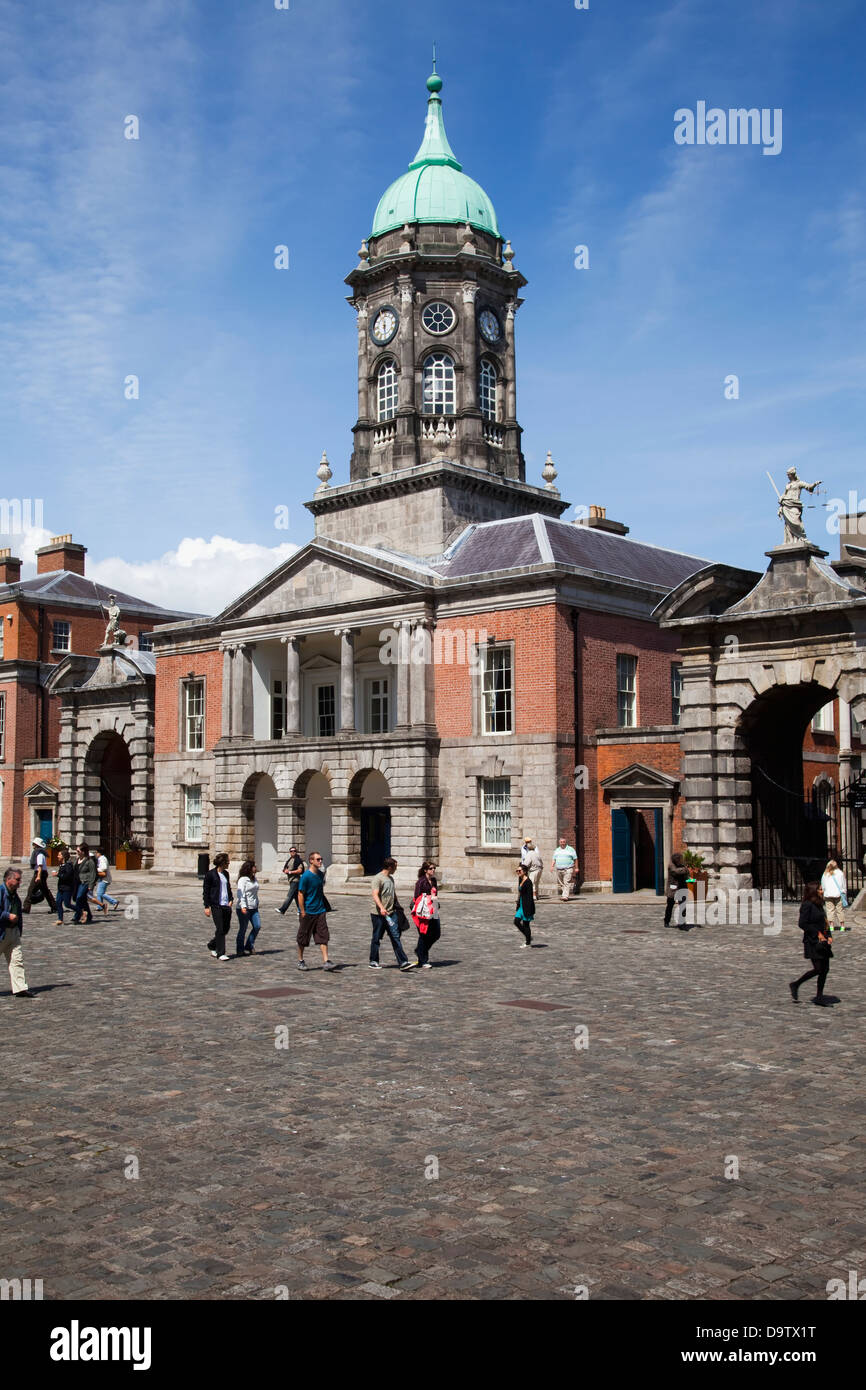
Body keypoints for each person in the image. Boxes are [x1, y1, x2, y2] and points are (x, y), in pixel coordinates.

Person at [790, 882, 833, 1006]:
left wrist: (829, 936)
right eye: (820, 889)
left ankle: (819, 996)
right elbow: (802, 923)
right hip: (812, 941)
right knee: (818, 969)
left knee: (825, 970)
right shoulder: (807, 905)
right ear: (814, 891)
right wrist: (817, 933)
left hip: (823, 941)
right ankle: (796, 984)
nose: (822, 891)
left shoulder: (819, 904)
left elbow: (824, 922)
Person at [369, 857, 415, 971]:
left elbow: (393, 894)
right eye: (395, 866)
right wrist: (381, 908)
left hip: (391, 913)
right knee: (376, 937)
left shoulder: (391, 879)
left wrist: (397, 906)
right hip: (378, 914)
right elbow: (375, 895)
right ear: (390, 867)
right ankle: (373, 961)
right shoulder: (378, 878)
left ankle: (403, 962)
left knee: (395, 937)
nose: (396, 869)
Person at [297, 851, 336, 971]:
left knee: (323, 936)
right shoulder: (306, 876)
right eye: (318, 859)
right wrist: (302, 911)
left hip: (320, 911)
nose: (320, 861)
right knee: (303, 938)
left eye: (321, 859)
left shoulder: (320, 874)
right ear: (311, 861)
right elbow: (300, 894)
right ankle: (300, 960)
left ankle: (326, 961)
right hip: (308, 911)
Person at [1, 867, 35, 998]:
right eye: (18, 880)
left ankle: (20, 988)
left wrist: (18, 929)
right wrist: (7, 916)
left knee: (17, 960)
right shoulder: (1, 892)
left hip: (13, 933)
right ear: (9, 879)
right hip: (1, 933)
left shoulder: (14, 894)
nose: (20, 883)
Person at [203, 852, 233, 961]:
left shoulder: (226, 874)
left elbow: (228, 888)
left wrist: (231, 899)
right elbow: (206, 891)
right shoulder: (210, 874)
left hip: (226, 905)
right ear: (222, 863)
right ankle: (221, 953)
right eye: (227, 862)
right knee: (220, 929)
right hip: (216, 905)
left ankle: (212, 945)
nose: (229, 863)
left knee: (226, 929)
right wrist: (207, 906)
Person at [411, 859, 440, 969]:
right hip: (424, 911)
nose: (433, 870)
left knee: (436, 934)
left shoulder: (433, 881)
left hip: (434, 909)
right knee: (424, 934)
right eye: (431, 868)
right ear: (425, 870)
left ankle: (420, 951)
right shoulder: (420, 882)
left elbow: (435, 893)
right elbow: (417, 897)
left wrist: (435, 901)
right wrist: (429, 898)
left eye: (434, 868)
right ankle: (423, 960)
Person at [22, 837, 56, 915]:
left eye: (33, 844)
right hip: (42, 873)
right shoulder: (40, 852)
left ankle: (26, 908)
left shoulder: (39, 854)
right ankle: (54, 906)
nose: (32, 845)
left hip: (39, 873)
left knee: (31, 890)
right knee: (45, 891)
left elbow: (40, 866)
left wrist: (38, 876)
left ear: (36, 845)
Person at [235, 860, 262, 956]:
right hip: (244, 908)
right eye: (254, 866)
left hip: (254, 907)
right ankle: (240, 949)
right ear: (250, 868)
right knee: (243, 928)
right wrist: (243, 906)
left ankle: (249, 945)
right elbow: (240, 893)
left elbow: (254, 893)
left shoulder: (254, 879)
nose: (256, 867)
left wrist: (257, 902)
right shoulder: (243, 880)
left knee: (257, 926)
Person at [276, 846, 305, 916]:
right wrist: (285, 870)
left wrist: (290, 872)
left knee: (289, 896)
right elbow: (286, 868)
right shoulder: (289, 860)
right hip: (291, 880)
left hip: (296, 880)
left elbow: (300, 870)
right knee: (296, 896)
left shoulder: (298, 860)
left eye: (294, 851)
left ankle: (282, 909)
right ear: (289, 852)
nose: (293, 852)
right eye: (291, 851)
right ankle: (301, 910)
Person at [72, 844, 97, 924]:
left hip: (85, 882)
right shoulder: (77, 860)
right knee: (81, 899)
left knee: (79, 898)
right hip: (77, 882)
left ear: (83, 852)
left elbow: (93, 874)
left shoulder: (89, 861)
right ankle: (89, 915)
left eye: (78, 851)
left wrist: (91, 886)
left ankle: (77, 915)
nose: (77, 852)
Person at [820, 859, 848, 933]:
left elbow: (823, 885)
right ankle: (842, 926)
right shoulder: (840, 873)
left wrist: (824, 892)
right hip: (838, 894)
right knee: (840, 910)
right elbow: (843, 884)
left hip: (828, 894)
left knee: (830, 910)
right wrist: (844, 892)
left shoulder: (825, 874)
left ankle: (831, 926)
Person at [664, 852, 690, 928]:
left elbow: (686, 878)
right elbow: (676, 872)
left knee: (683, 906)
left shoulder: (682, 866)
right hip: (673, 889)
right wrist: (685, 869)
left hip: (682, 888)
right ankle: (666, 921)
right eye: (679, 860)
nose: (681, 861)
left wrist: (691, 880)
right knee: (670, 906)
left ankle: (681, 922)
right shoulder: (671, 866)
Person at [53, 848, 76, 926]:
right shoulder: (61, 865)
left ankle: (80, 911)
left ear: (63, 856)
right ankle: (60, 919)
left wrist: (57, 874)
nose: (57, 856)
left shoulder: (68, 865)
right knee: (58, 903)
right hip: (61, 887)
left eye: (59, 855)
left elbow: (67, 876)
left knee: (67, 904)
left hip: (67, 888)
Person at [514, 864, 535, 947]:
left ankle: (528, 942)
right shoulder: (520, 879)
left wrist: (529, 909)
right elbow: (520, 893)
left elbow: (530, 896)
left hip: (527, 906)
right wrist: (518, 902)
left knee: (526, 924)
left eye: (519, 871)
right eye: (517, 871)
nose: (518, 872)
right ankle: (528, 936)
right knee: (516, 922)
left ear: (525, 872)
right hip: (521, 905)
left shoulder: (528, 882)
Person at [94, 847, 120, 914]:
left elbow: (103, 868)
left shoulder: (101, 859)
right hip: (103, 879)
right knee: (99, 893)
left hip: (104, 879)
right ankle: (99, 906)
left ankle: (114, 901)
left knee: (101, 893)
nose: (95, 854)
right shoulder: (102, 858)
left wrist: (96, 870)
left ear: (99, 853)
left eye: (96, 852)